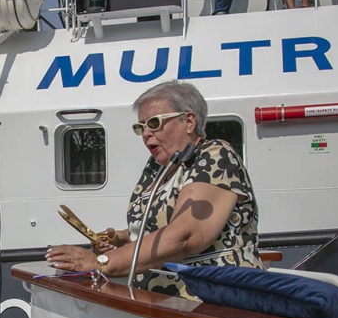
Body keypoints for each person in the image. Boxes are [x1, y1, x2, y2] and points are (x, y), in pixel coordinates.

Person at [45, 81, 262, 298]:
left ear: (188, 121)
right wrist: (122, 238)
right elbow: (155, 229)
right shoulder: (157, 168)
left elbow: (186, 235)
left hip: (214, 302)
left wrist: (101, 262)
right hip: (160, 303)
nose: (146, 133)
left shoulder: (215, 156)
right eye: (141, 127)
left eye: (155, 123)